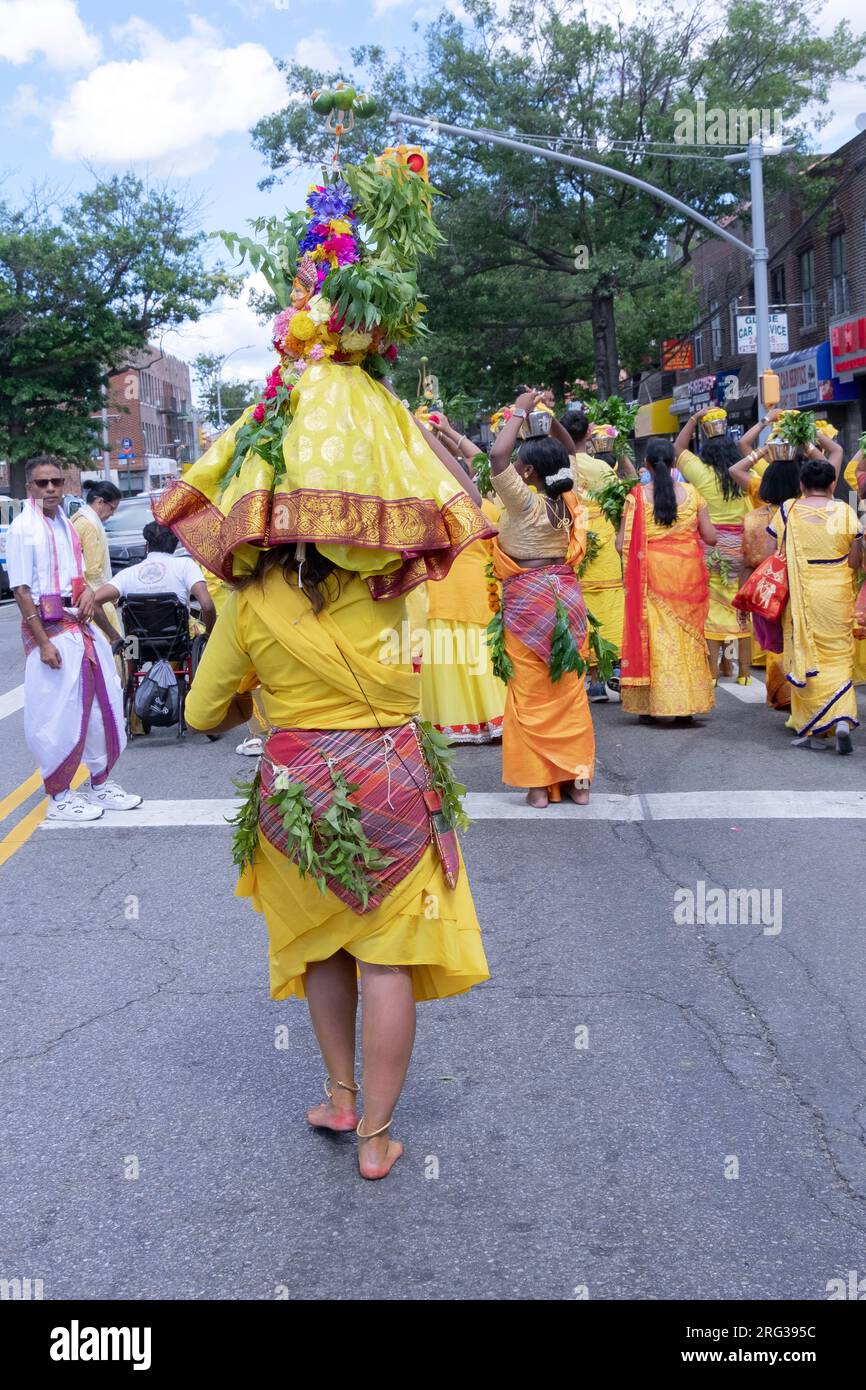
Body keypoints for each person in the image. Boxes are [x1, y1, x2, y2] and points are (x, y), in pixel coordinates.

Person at [183, 542, 489, 1180]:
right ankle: (375, 1144)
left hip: (297, 792)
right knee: (387, 960)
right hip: (393, 776)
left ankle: (341, 1101)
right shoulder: (402, 584)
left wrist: (260, 698)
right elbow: (417, 670)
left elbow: (202, 712)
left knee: (322, 943)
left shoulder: (247, 601)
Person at [6, 456, 141, 821]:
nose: (50, 488)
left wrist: (106, 627)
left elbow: (77, 580)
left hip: (80, 626)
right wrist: (44, 642)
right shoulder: (23, 528)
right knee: (58, 716)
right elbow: (20, 590)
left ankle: (100, 783)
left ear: (64, 484)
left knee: (103, 706)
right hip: (51, 632)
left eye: (56, 481)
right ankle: (59, 797)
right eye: (42, 483)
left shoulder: (66, 522)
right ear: (28, 488)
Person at [489, 389, 595, 808]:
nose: (512, 469)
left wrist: (520, 409)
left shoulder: (524, 502)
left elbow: (497, 456)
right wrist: (544, 418)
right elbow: (569, 452)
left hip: (529, 597)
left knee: (530, 691)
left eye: (520, 466)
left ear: (529, 471)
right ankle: (578, 782)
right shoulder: (567, 499)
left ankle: (538, 786)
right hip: (566, 595)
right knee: (569, 688)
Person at [616, 437, 717, 721]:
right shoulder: (693, 494)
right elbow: (711, 537)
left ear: (647, 464)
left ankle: (653, 703)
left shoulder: (636, 496)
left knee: (657, 637)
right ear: (674, 464)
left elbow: (621, 543)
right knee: (687, 636)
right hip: (688, 575)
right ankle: (687, 704)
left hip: (653, 574)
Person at [419, 413, 505, 741]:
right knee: (478, 656)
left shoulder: (426, 509)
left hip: (437, 595)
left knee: (443, 658)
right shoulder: (486, 509)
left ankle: (450, 724)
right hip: (477, 594)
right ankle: (489, 721)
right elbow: (479, 463)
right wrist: (449, 433)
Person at [770, 456, 863, 753]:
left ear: (801, 485)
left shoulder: (788, 510)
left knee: (806, 653)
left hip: (801, 594)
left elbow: (777, 552)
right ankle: (841, 720)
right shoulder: (844, 511)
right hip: (837, 593)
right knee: (838, 656)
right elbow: (856, 560)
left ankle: (815, 729)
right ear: (833, 484)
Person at [674, 407, 752, 684]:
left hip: (710, 546)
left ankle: (715, 672)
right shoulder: (743, 472)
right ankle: (742, 672)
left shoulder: (701, 472)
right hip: (741, 547)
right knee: (740, 605)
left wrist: (693, 418)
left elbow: (678, 447)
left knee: (712, 606)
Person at [728, 444, 800, 712]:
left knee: (776, 644)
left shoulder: (754, 519)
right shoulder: (806, 511)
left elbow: (746, 563)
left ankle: (782, 694)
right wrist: (804, 445)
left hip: (769, 589)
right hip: (802, 585)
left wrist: (742, 603)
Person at [560, 408, 624, 701]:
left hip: (574, 538)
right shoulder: (601, 468)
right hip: (603, 539)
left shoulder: (562, 467)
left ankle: (593, 681)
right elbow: (620, 504)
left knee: (581, 609)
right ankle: (615, 669)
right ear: (589, 433)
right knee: (609, 605)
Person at [93, 522, 217, 633]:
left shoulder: (127, 574)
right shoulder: (185, 565)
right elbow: (207, 605)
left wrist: (114, 636)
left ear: (147, 546)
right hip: (179, 640)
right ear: (175, 545)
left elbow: (94, 601)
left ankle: (130, 658)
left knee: (131, 645)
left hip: (138, 642)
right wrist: (208, 634)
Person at [71, 480, 122, 639]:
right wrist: (112, 596)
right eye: (112, 508)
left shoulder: (76, 518)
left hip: (79, 596)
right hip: (95, 599)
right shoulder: (89, 525)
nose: (112, 513)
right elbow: (94, 571)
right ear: (100, 502)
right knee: (111, 646)